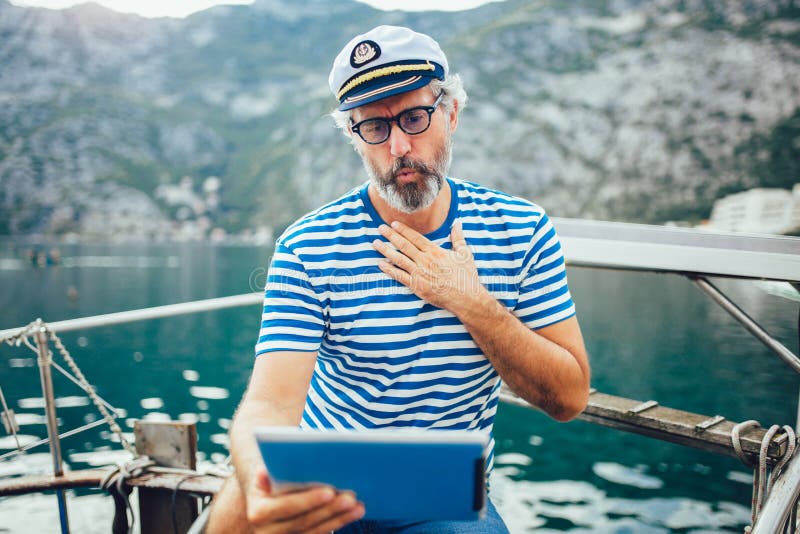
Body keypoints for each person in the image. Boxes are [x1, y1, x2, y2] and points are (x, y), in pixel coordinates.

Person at [206, 25, 590, 534]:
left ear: (451, 113)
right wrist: (260, 475)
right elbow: (271, 402)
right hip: (326, 481)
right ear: (353, 136)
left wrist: (469, 300)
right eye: (375, 128)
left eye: (414, 117)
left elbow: (568, 398)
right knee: (238, 503)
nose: (400, 146)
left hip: (438, 498)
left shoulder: (520, 230)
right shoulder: (308, 245)